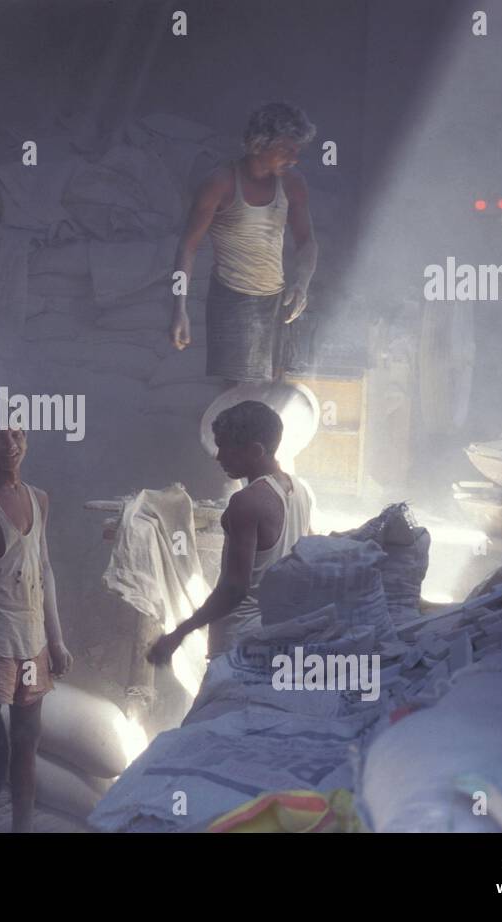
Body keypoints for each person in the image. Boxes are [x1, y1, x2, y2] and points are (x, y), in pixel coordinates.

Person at [0, 411, 72, 833]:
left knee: (26, 743)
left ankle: (22, 827)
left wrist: (55, 641)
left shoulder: (39, 499)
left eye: (17, 434)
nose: (12, 445)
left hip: (32, 642)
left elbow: (45, 571)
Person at [147, 400, 313, 663]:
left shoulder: (247, 501)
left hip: (239, 640)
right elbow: (309, 556)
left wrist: (178, 634)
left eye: (226, 447)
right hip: (277, 635)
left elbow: (234, 589)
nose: (219, 456)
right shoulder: (301, 490)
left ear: (256, 451)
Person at [170, 103, 318, 390]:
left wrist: (302, 283)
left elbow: (307, 242)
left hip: (278, 299)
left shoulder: (293, 184)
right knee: (238, 395)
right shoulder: (220, 184)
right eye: (287, 149)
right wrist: (179, 308)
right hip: (232, 301)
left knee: (276, 390)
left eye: (297, 150)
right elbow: (187, 248)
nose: (295, 158)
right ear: (260, 144)